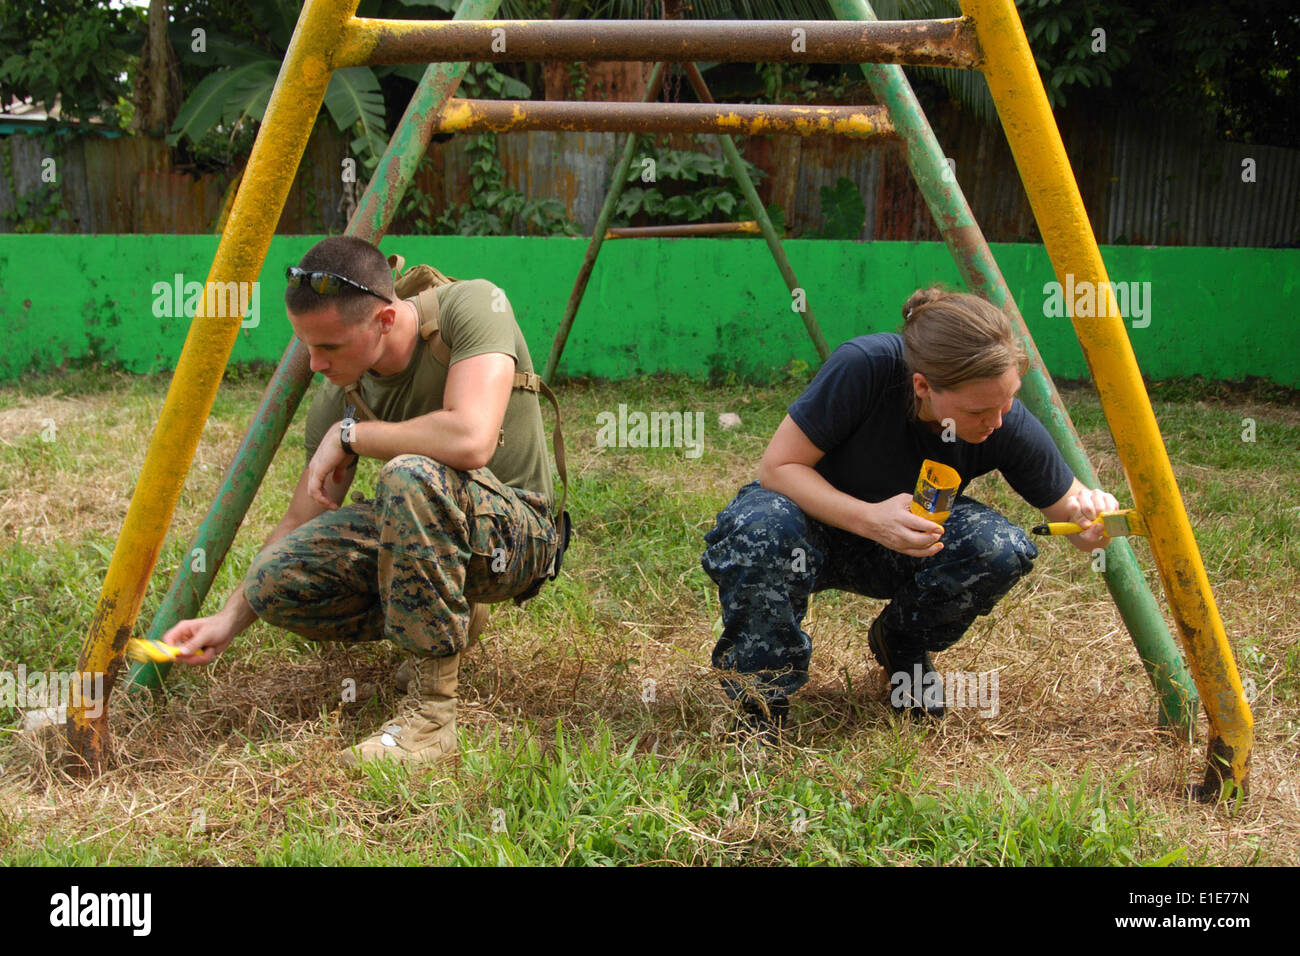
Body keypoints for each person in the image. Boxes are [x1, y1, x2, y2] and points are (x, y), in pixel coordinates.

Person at [162, 236, 559, 766]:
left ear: (386, 321)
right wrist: (228, 619)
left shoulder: (472, 307)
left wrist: (353, 438)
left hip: (520, 534)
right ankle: (450, 621)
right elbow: (304, 516)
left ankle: (431, 723)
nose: (315, 363)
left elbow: (471, 438)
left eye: (329, 346)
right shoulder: (340, 393)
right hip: (440, 531)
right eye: (307, 345)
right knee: (273, 577)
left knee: (408, 475)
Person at [701, 286, 1118, 731]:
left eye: (1008, 401)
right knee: (759, 525)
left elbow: (1071, 515)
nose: (997, 421)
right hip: (808, 530)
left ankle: (900, 644)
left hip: (903, 544)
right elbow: (778, 468)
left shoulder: (999, 417)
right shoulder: (866, 366)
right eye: (980, 410)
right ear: (922, 386)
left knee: (998, 547)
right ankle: (760, 704)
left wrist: (1090, 517)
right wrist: (870, 518)